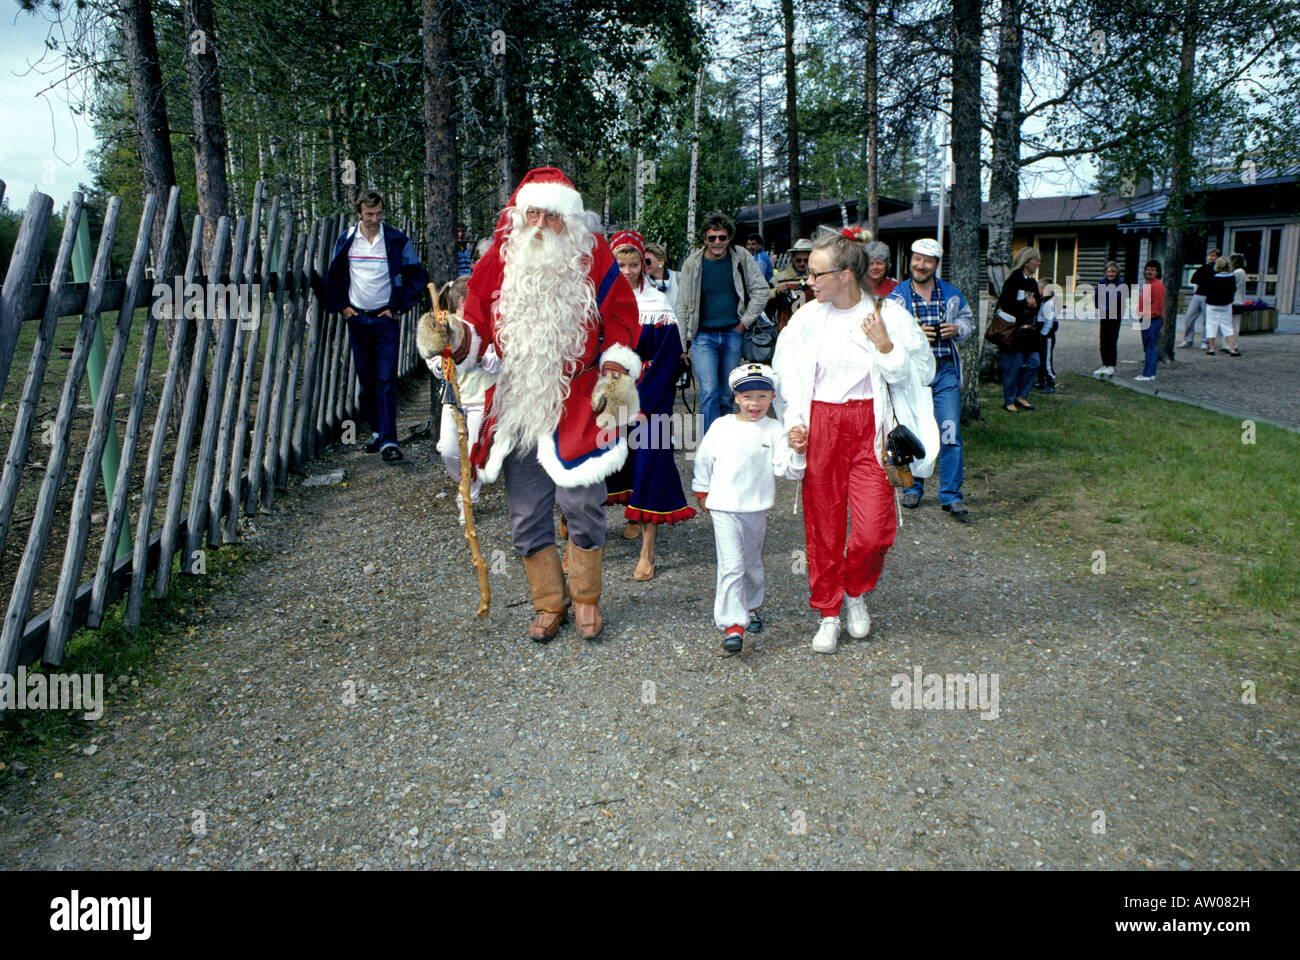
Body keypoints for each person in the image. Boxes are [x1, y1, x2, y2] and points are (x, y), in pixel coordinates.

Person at [416, 167, 642, 642]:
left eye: (553, 216)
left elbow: (622, 315)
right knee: (524, 512)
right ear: (520, 215)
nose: (540, 224)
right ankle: (548, 602)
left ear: (572, 220)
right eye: (533, 213)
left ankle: (586, 599)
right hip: (518, 400)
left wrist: (615, 369)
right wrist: (452, 338)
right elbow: (474, 329)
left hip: (577, 397)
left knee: (582, 501)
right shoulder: (498, 260)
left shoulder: (594, 256)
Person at [772, 227, 938, 655]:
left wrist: (885, 347)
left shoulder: (890, 316)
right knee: (824, 526)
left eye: (816, 274)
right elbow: (788, 378)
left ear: (845, 274)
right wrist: (795, 422)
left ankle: (855, 591)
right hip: (821, 426)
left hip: (870, 428)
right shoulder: (807, 319)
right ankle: (829, 612)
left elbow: (921, 375)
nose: (809, 282)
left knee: (872, 531)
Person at [692, 363, 805, 654]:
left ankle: (751, 606)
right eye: (747, 396)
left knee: (752, 564)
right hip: (724, 507)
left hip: (756, 508)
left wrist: (799, 452)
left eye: (762, 396)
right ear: (736, 398)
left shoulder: (775, 429)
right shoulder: (721, 427)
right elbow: (704, 459)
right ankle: (733, 625)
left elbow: (786, 469)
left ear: (772, 398)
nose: (754, 403)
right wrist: (701, 488)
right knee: (732, 565)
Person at [603, 230, 695, 581]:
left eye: (633, 264)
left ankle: (648, 551)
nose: (626, 271)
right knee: (598, 461)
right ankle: (582, 540)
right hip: (609, 398)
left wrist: (644, 402)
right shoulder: (602, 303)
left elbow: (667, 359)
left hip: (648, 398)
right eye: (619, 264)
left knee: (650, 461)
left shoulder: (658, 306)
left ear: (645, 264)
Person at [324, 189, 428, 462]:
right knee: (367, 379)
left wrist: (397, 307)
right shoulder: (347, 240)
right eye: (369, 214)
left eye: (379, 213)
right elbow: (334, 276)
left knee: (386, 379)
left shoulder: (394, 240)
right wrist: (343, 308)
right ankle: (377, 431)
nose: (375, 219)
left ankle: (389, 442)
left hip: (385, 322)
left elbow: (416, 275)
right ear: (359, 213)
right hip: (358, 319)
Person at [887, 237, 973, 519]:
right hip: (913, 374)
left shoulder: (951, 293)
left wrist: (956, 329)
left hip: (944, 370)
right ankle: (913, 488)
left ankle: (951, 495)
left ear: (936, 264)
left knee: (949, 431)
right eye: (916, 259)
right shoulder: (897, 296)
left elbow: (969, 322)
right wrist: (911, 335)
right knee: (912, 428)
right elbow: (884, 332)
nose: (920, 265)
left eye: (927, 260)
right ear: (910, 260)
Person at [675, 211, 772, 437]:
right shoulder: (693, 264)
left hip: (732, 333)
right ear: (705, 239)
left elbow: (761, 290)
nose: (717, 242)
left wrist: (744, 323)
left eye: (722, 237)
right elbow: (680, 307)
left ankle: (726, 439)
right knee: (708, 392)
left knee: (728, 392)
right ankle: (710, 441)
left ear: (729, 238)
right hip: (703, 336)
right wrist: (681, 347)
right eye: (712, 238)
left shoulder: (741, 257)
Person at [426, 276, 498, 524]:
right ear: (462, 301)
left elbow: (500, 357)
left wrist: (486, 359)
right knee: (448, 449)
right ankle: (464, 484)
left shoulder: (488, 324)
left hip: (482, 398)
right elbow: (432, 354)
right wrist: (439, 364)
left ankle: (468, 500)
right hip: (454, 399)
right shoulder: (445, 326)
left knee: (475, 451)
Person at [997, 246, 1047, 411]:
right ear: (1026, 262)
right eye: (1036, 260)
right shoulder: (1012, 281)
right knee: (1014, 366)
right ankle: (1009, 400)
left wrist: (1033, 305)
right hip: (1012, 332)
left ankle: (1021, 396)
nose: (1038, 263)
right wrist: (1025, 304)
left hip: (1028, 332)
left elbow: (1037, 305)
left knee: (1035, 363)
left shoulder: (1032, 282)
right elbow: (1006, 305)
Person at [769, 238, 813, 331]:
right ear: (792, 258)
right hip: (787, 328)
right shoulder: (780, 279)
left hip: (812, 328)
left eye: (806, 260)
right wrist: (776, 292)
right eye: (798, 260)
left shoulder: (818, 279)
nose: (802, 264)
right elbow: (763, 296)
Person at [1092, 260, 1126, 378]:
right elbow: (1096, 297)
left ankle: (1111, 365)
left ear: (1117, 272)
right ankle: (1105, 364)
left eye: (1113, 271)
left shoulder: (1121, 284)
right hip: (1104, 314)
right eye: (1108, 271)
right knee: (1103, 340)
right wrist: (1098, 304)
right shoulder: (1102, 283)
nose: (1110, 273)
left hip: (1114, 315)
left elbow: (1117, 298)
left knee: (1111, 340)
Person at [1180, 248, 1219, 349]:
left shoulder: (1217, 270)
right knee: (1189, 317)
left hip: (1209, 296)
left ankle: (1205, 341)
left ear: (1217, 257)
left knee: (1207, 320)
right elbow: (1194, 279)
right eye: (1210, 255)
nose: (1211, 257)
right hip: (1198, 295)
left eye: (1213, 256)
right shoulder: (1203, 267)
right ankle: (1188, 340)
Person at [1134, 259, 1165, 382]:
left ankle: (1148, 373)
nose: (1149, 272)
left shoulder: (1157, 286)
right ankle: (1149, 372)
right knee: (1147, 346)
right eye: (1147, 269)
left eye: (1152, 270)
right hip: (1145, 319)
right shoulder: (1149, 284)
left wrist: (1146, 315)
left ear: (1157, 272)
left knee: (1150, 347)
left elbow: (1157, 307)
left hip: (1152, 320)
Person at [1203, 255, 1241, 356]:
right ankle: (1232, 349)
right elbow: (1233, 290)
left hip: (1212, 304)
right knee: (1228, 326)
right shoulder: (1232, 278)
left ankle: (1211, 348)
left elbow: (1208, 291)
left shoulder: (1212, 279)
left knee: (1211, 325)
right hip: (1226, 305)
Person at [644, 241, 679, 309]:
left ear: (661, 261)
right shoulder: (642, 282)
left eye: (647, 261)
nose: (644, 264)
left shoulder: (678, 278)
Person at [1231, 253, 1248, 338]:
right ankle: (1232, 344)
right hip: (1239, 300)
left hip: (1234, 300)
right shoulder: (1242, 272)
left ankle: (1231, 344)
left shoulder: (1236, 273)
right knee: (1235, 324)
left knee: (1233, 324)